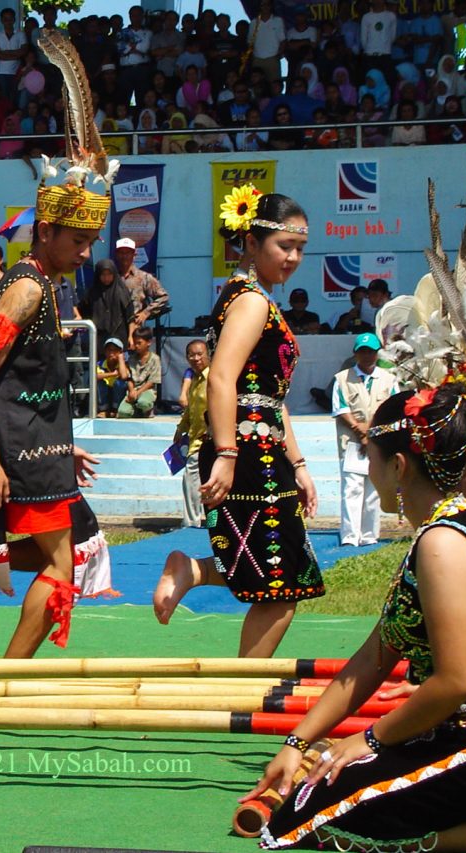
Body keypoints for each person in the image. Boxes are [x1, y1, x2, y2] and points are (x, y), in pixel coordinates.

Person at [251, 383, 466, 851]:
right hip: (460, 727)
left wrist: (368, 739)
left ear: (398, 465)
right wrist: (297, 743)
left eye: (370, 458)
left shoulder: (444, 543)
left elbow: (455, 681)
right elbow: (374, 655)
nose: (369, 472)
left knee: (317, 819)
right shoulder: (446, 532)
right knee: (308, 799)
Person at [0, 29, 112, 658]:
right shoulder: (27, 288)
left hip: (35, 444)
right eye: (78, 239)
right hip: (15, 450)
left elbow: (23, 377)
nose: (87, 251)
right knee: (63, 566)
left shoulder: (41, 281)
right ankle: (9, 672)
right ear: (46, 230)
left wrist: (62, 444)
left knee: (54, 553)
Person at [154, 188, 323, 657]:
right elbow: (223, 378)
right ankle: (243, 687)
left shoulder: (248, 297)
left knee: (273, 567)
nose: (292, 258)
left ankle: (194, 570)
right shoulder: (250, 302)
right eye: (283, 247)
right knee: (280, 586)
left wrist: (301, 463)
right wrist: (227, 454)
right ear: (251, 243)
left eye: (299, 249)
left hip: (263, 448)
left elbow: (270, 396)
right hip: (247, 452)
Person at [331, 332, 398, 547]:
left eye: (371, 351)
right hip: (351, 441)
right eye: (362, 352)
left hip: (379, 441)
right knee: (352, 487)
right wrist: (359, 430)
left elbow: (394, 408)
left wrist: (371, 430)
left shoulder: (390, 379)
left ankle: (369, 535)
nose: (367, 356)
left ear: (377, 354)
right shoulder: (342, 378)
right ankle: (350, 535)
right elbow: (340, 407)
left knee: (373, 488)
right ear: (355, 354)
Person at [174, 339, 211, 527]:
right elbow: (190, 409)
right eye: (191, 355)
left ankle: (195, 524)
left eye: (200, 354)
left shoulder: (214, 378)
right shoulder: (195, 379)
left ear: (208, 354)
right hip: (195, 439)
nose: (196, 358)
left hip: (211, 439)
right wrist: (181, 429)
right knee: (192, 480)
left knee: (196, 479)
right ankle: (192, 524)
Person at [113, 237, 169, 342]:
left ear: (134, 255)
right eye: (121, 252)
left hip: (135, 331)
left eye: (128, 253)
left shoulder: (144, 278)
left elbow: (163, 297)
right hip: (113, 330)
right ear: (116, 254)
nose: (124, 256)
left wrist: (145, 313)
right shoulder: (111, 277)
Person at [117, 327, 160, 418]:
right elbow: (127, 377)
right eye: (135, 343)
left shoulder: (155, 359)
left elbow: (151, 382)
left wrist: (138, 392)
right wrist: (132, 391)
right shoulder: (131, 359)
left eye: (139, 343)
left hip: (146, 390)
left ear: (148, 342)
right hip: (133, 390)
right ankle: (137, 410)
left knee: (143, 403)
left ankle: (148, 409)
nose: (136, 346)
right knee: (122, 412)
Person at [95, 337, 130, 418]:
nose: (111, 353)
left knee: (120, 383)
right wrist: (113, 374)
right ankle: (103, 410)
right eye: (109, 350)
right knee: (99, 383)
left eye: (115, 350)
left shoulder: (124, 364)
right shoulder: (100, 363)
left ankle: (116, 410)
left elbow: (124, 376)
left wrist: (121, 358)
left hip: (118, 393)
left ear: (120, 352)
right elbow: (95, 376)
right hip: (105, 393)